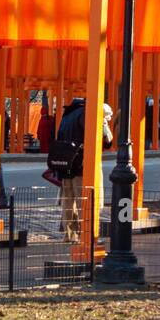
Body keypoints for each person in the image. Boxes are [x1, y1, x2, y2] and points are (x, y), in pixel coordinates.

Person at [55, 98, 114, 243]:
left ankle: (69, 235)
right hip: (81, 164)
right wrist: (104, 124)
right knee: (84, 201)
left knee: (68, 202)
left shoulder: (67, 115)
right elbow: (107, 141)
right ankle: (86, 235)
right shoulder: (86, 114)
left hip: (65, 164)